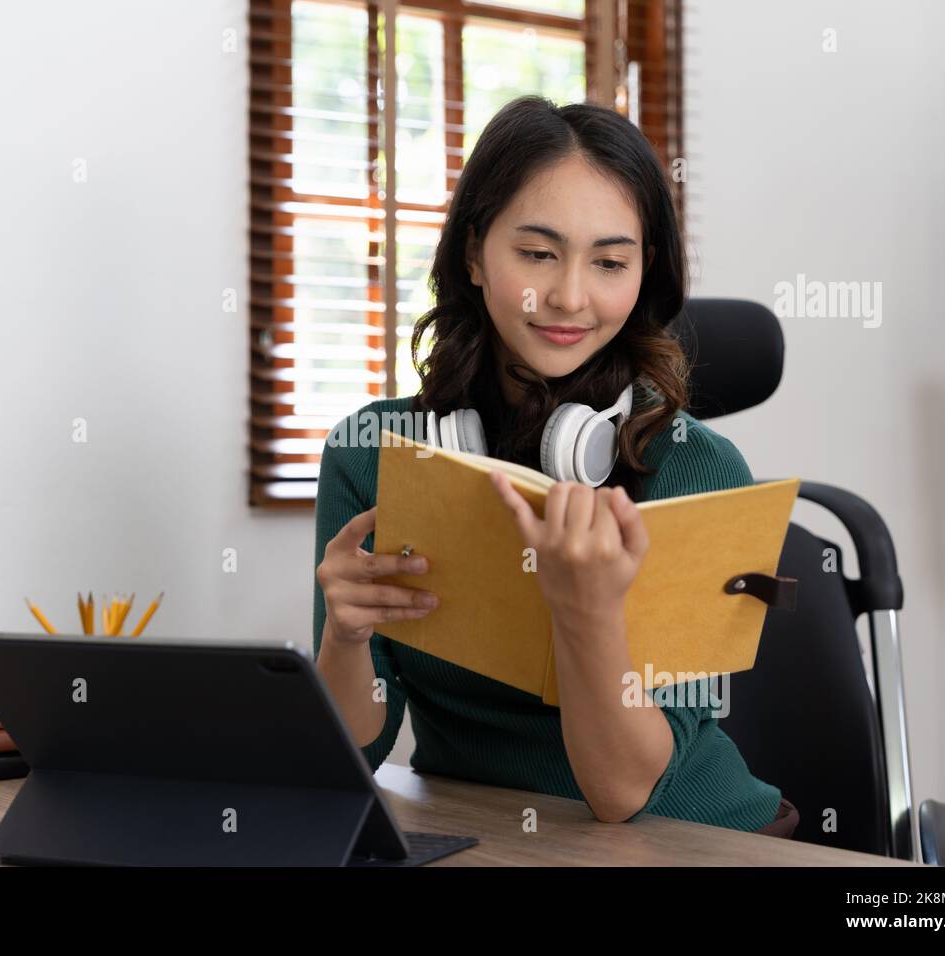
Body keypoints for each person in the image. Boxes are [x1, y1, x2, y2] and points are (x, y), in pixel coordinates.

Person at [312, 95, 797, 838]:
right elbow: (358, 750)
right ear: (475, 253)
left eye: (609, 262)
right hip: (488, 833)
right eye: (537, 254)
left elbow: (624, 792)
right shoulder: (374, 452)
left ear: (644, 275)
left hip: (695, 839)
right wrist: (344, 642)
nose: (570, 296)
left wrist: (584, 608)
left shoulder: (696, 468)